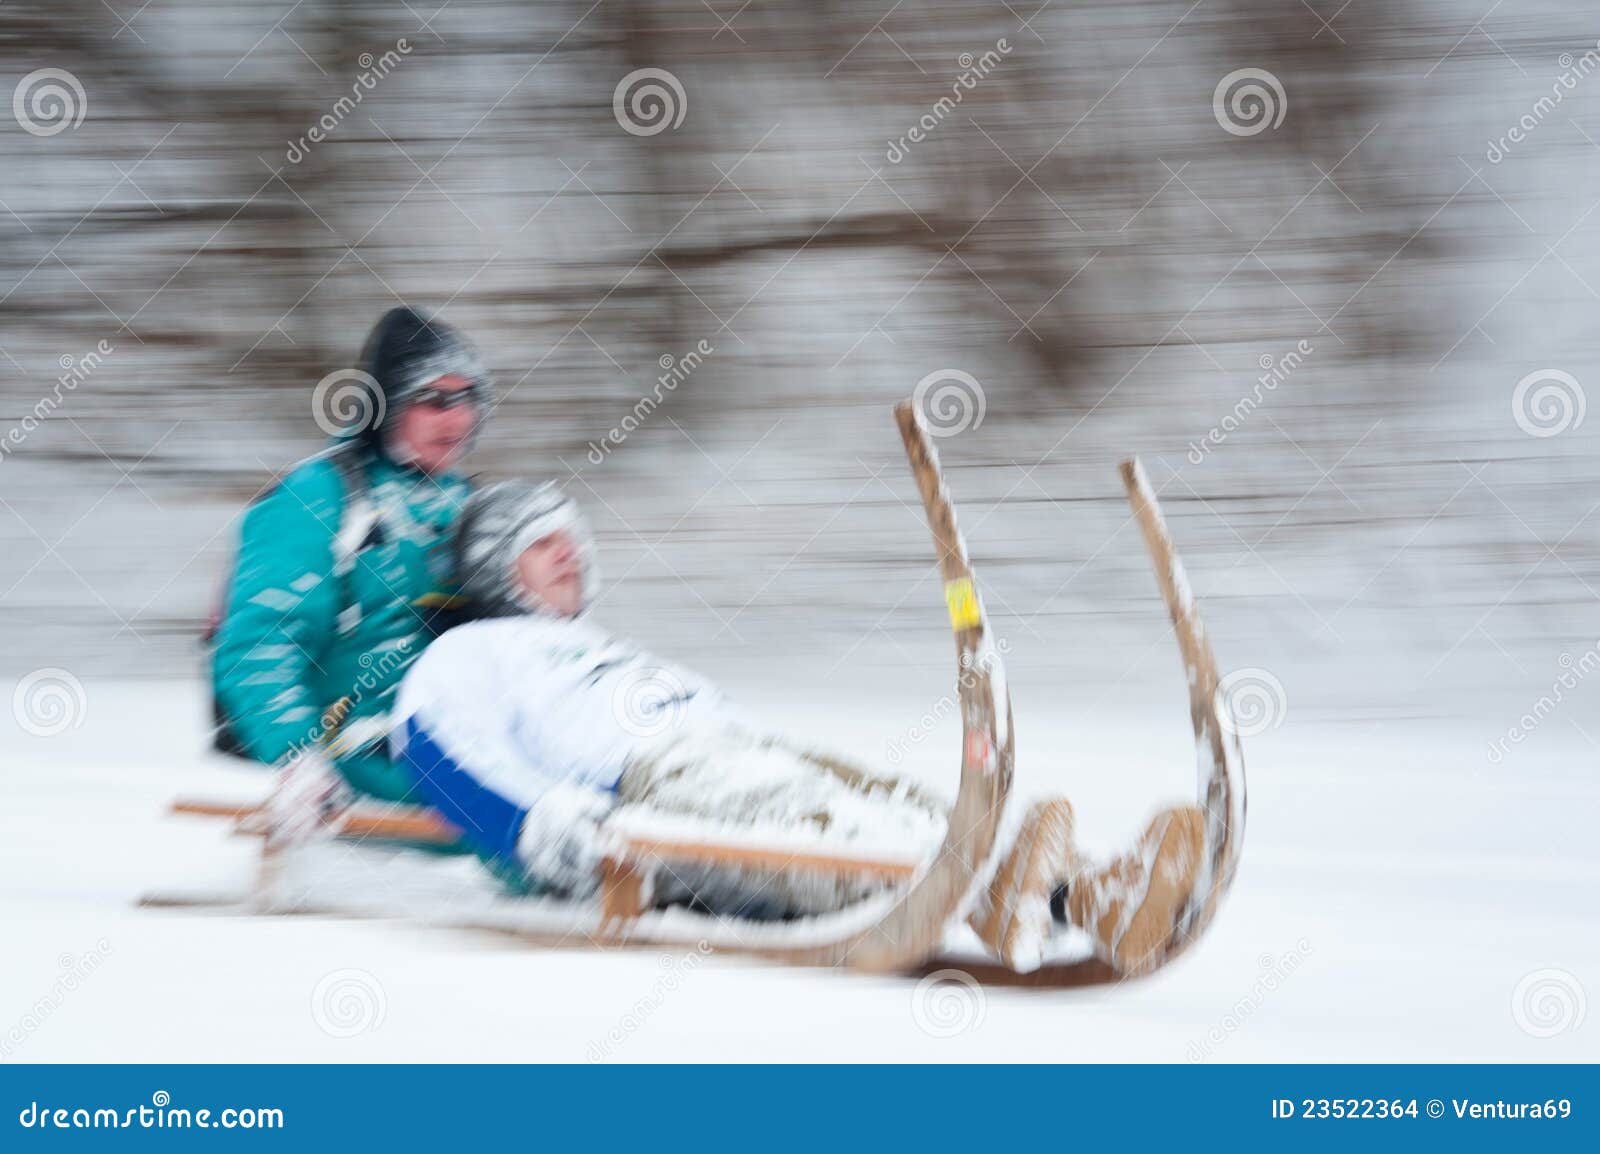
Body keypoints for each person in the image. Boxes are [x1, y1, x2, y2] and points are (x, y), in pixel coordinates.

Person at [386, 480, 1208, 975]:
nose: (569, 554)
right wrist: (533, 825)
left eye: (572, 539)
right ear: (497, 562)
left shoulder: (590, 643)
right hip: (645, 784)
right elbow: (434, 753)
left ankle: (1098, 889)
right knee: (818, 828)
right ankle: (1016, 897)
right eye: (541, 543)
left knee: (900, 801)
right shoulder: (468, 654)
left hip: (730, 751)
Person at [210, 306, 492, 815]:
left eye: (467, 396)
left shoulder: (468, 503)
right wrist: (296, 757)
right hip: (367, 752)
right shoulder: (321, 496)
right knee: (535, 809)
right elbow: (259, 642)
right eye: (433, 398)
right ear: (388, 405)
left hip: (475, 732)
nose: (456, 416)